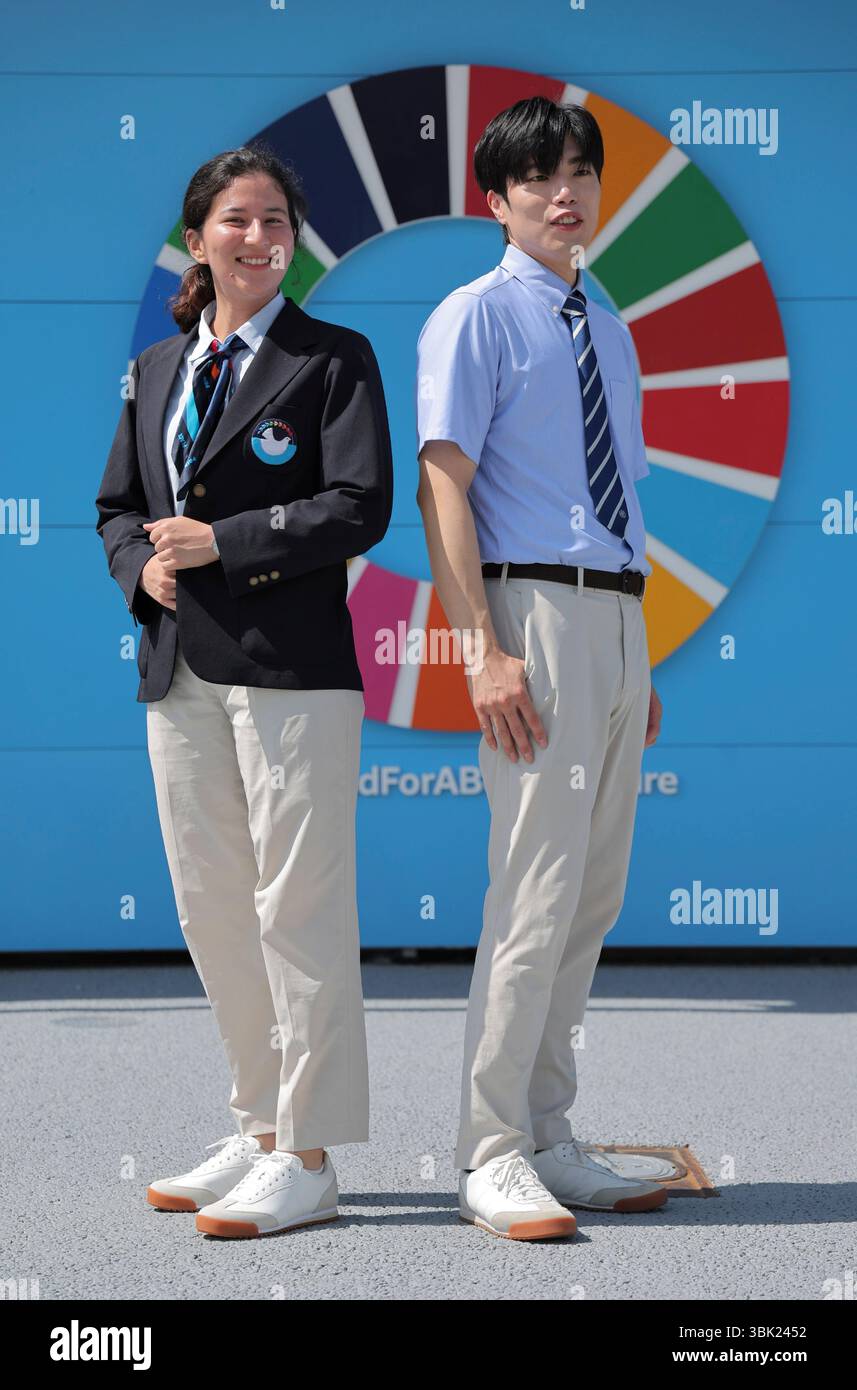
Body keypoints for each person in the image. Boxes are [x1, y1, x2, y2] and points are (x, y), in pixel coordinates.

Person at [95, 144, 393, 1239]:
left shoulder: (332, 358)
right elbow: (116, 509)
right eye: (237, 219)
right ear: (198, 239)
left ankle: (308, 1157)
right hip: (177, 668)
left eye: (275, 220)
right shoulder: (158, 367)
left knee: (297, 912)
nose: (259, 238)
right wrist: (144, 568)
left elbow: (359, 505)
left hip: (290, 670)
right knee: (213, 911)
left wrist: (222, 541)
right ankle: (259, 1124)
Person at [416, 97, 666, 1242]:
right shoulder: (473, 315)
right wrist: (482, 647)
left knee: (589, 897)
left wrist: (635, 654)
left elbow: (617, 505)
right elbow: (445, 487)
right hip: (529, 613)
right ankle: (489, 1149)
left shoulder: (606, 327)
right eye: (536, 177)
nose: (563, 194)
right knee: (532, 892)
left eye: (579, 173)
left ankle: (549, 1131)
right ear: (496, 199)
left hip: (611, 618)